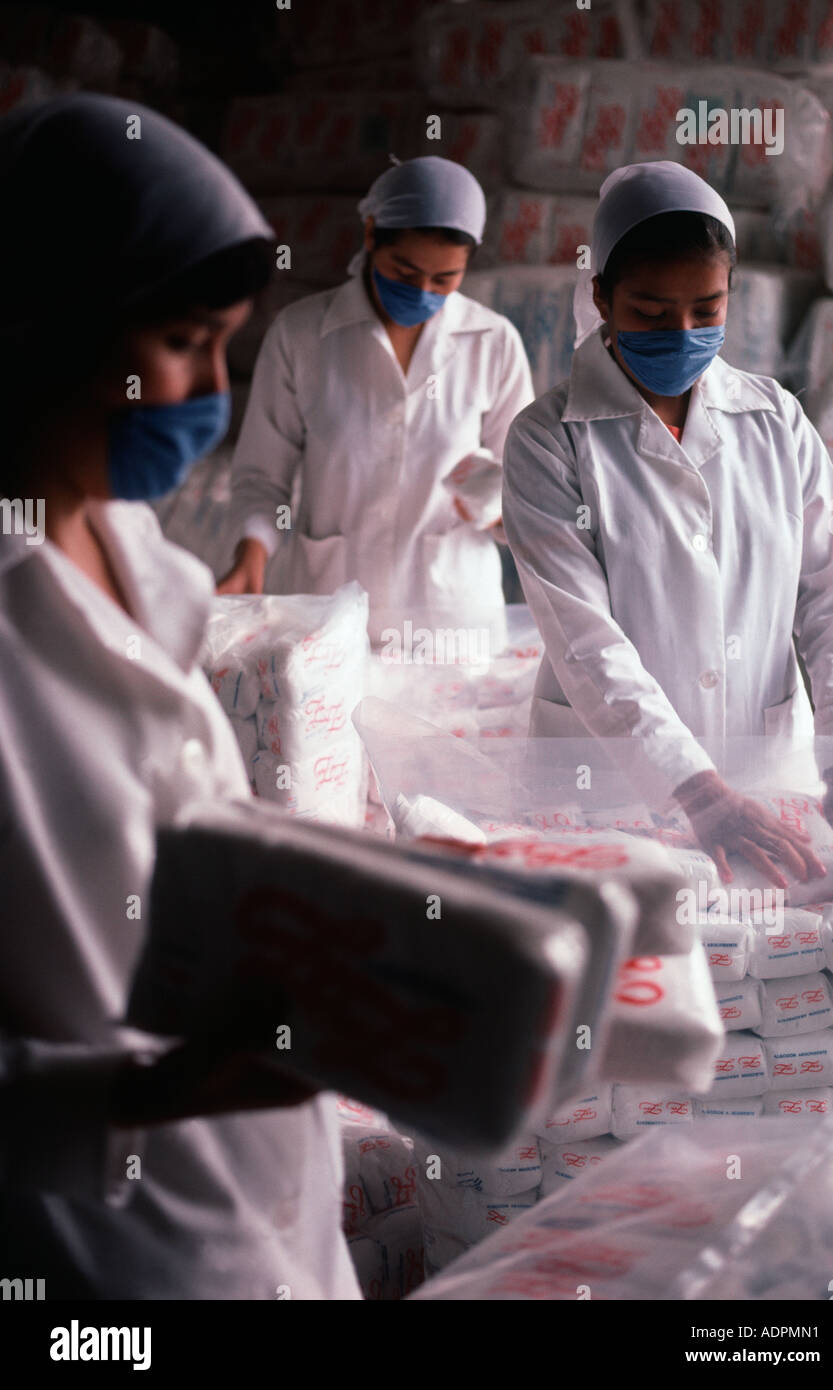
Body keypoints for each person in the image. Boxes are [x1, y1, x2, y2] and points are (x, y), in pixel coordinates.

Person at [0, 93, 361, 1299]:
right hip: (101, 1265)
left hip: (258, 1222)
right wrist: (150, 1091)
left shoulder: (145, 563)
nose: (216, 387)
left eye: (230, 342)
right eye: (189, 341)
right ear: (56, 329)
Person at [502, 161, 833, 888]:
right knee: (633, 975)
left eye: (707, 311)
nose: (683, 333)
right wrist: (693, 787)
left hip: (766, 772)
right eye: (650, 311)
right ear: (601, 295)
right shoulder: (548, 440)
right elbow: (585, 641)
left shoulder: (775, 421)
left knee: (773, 975)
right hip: (606, 784)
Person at [218, 156, 534, 647]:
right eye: (404, 272)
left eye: (445, 280)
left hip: (450, 626)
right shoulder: (302, 335)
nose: (423, 292)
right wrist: (251, 554)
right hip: (327, 615)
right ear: (370, 234)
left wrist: (494, 502)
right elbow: (262, 476)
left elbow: (530, 493)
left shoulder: (492, 342)